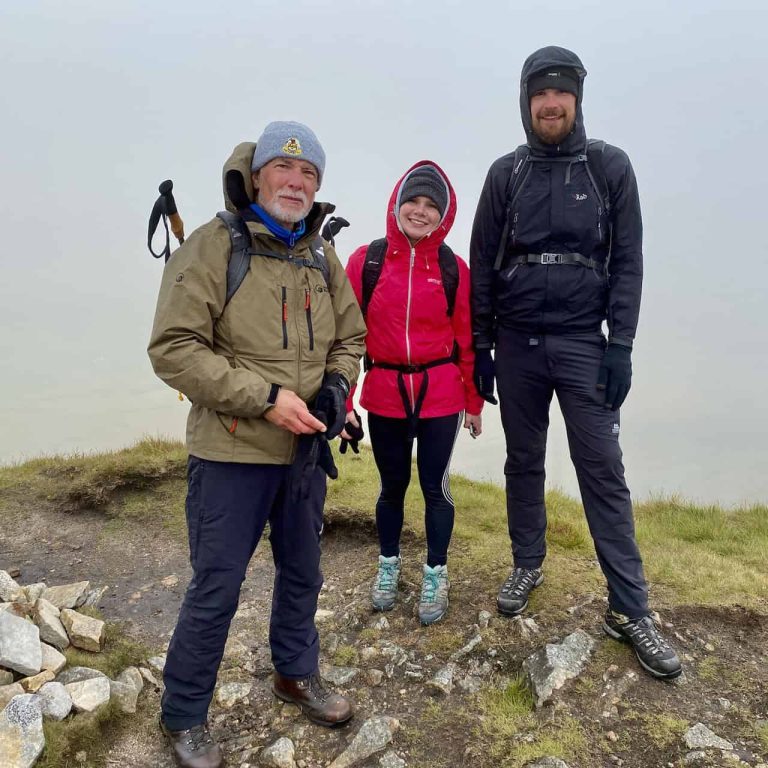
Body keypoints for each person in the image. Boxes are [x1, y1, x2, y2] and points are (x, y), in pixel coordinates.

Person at [148, 121, 367, 768]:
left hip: (304, 455)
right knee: (217, 585)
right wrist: (267, 399)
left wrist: (336, 390)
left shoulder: (320, 256)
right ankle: (184, 714)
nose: (296, 183)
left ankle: (294, 674)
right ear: (257, 174)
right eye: (284, 169)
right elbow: (173, 349)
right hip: (230, 452)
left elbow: (349, 338)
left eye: (309, 174)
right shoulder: (215, 245)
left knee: (303, 570)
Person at [470, 47, 682, 680]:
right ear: (526, 101)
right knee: (523, 460)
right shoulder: (506, 174)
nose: (551, 104)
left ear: (577, 100)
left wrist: (622, 345)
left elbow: (629, 261)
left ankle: (630, 608)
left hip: (584, 342)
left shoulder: (609, 167)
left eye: (561, 93)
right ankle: (527, 563)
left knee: (603, 471)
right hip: (516, 343)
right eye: (540, 94)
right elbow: (482, 262)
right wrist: (481, 347)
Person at [343, 161, 484, 626]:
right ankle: (388, 565)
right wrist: (344, 401)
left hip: (441, 393)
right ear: (397, 204)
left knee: (435, 487)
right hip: (385, 391)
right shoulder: (366, 261)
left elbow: (466, 340)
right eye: (413, 201)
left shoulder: (453, 268)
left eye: (431, 205)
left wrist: (474, 403)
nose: (420, 211)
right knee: (392, 487)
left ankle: (435, 573)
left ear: (444, 214)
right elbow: (345, 338)